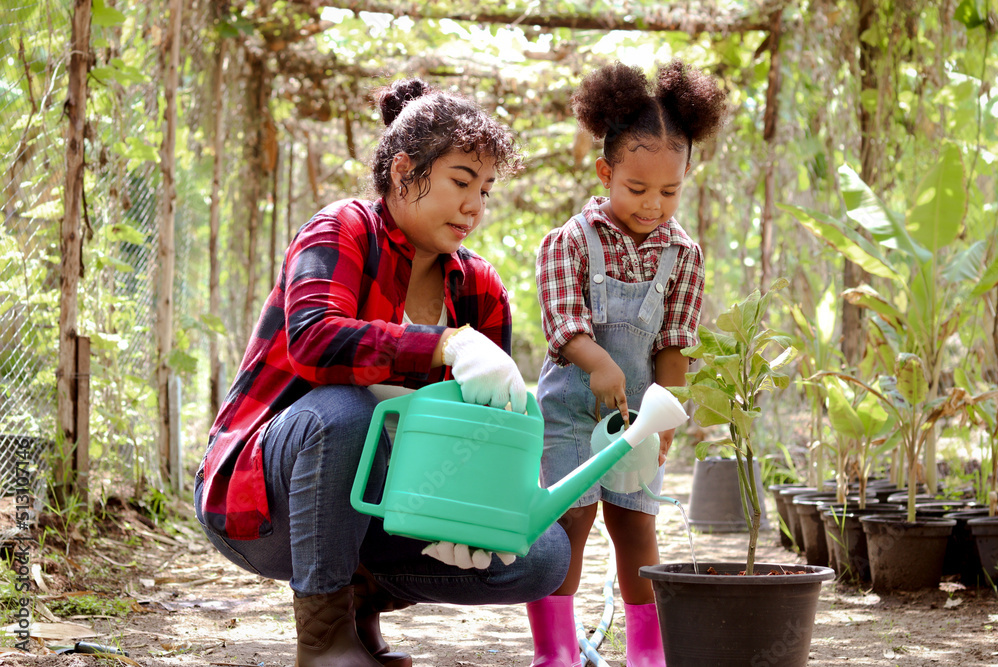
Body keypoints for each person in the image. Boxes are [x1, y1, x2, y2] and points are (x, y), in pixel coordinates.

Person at [195, 78, 571, 667]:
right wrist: (444, 344)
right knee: (347, 413)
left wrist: (478, 507)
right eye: (461, 181)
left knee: (541, 553)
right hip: (269, 503)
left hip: (393, 504)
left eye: (487, 190)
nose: (475, 206)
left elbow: (481, 434)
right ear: (403, 171)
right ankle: (323, 641)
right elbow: (314, 342)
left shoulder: (480, 289)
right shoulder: (341, 230)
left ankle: (361, 598)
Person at [530, 61, 728, 667]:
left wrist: (665, 412)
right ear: (605, 172)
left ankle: (648, 653)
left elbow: (675, 341)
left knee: (636, 530)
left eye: (669, 192)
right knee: (569, 525)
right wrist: (596, 361)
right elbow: (563, 323)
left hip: (636, 418)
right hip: (570, 414)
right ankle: (556, 651)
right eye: (637, 189)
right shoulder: (572, 240)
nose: (653, 205)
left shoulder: (683, 255)